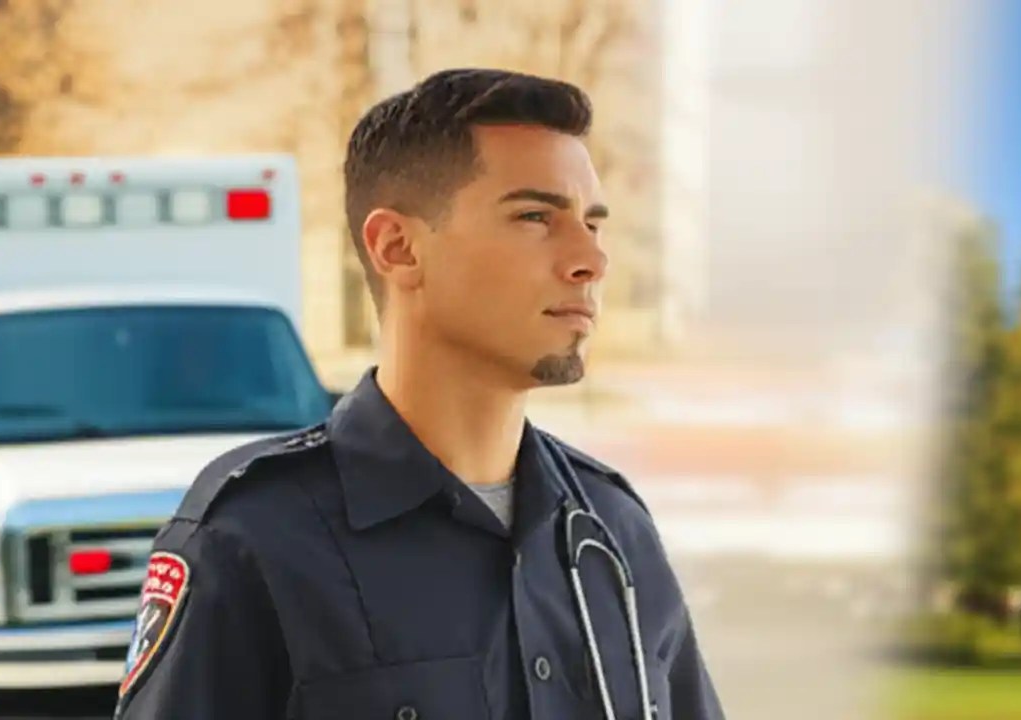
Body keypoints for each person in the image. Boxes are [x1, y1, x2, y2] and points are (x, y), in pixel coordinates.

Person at [114, 68, 726, 720]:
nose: (590, 260)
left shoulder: (611, 532)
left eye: (593, 224)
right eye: (535, 217)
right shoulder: (254, 538)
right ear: (398, 247)